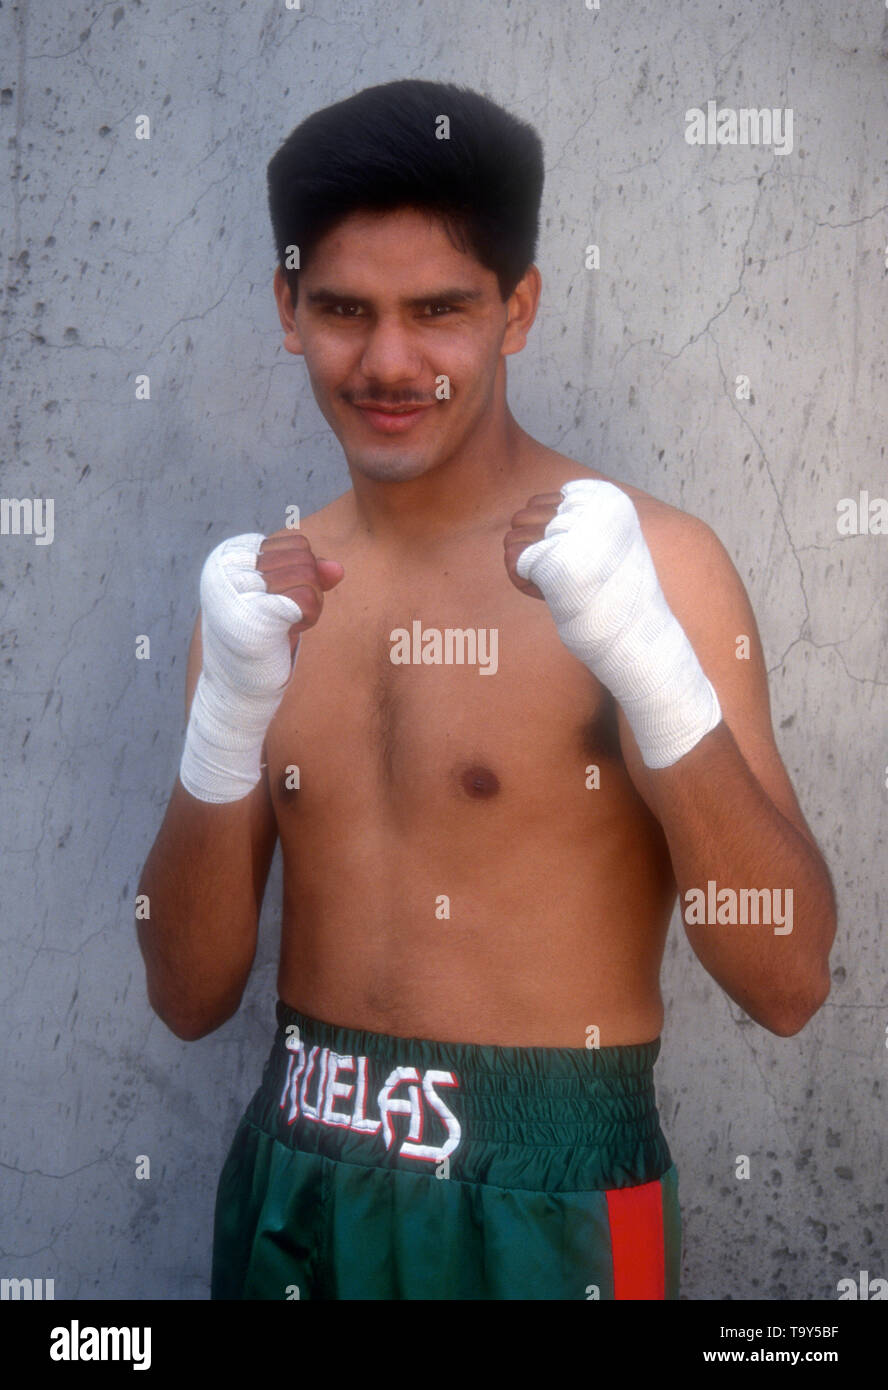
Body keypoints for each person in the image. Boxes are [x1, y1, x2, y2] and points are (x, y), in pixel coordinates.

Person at [136, 79, 836, 1300]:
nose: (390, 360)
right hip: (293, 1177)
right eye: (345, 309)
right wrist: (228, 712)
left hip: (545, 1200)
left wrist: (649, 661)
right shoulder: (265, 601)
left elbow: (788, 984)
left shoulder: (655, 566)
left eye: (440, 311)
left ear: (518, 311)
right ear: (286, 308)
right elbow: (188, 996)